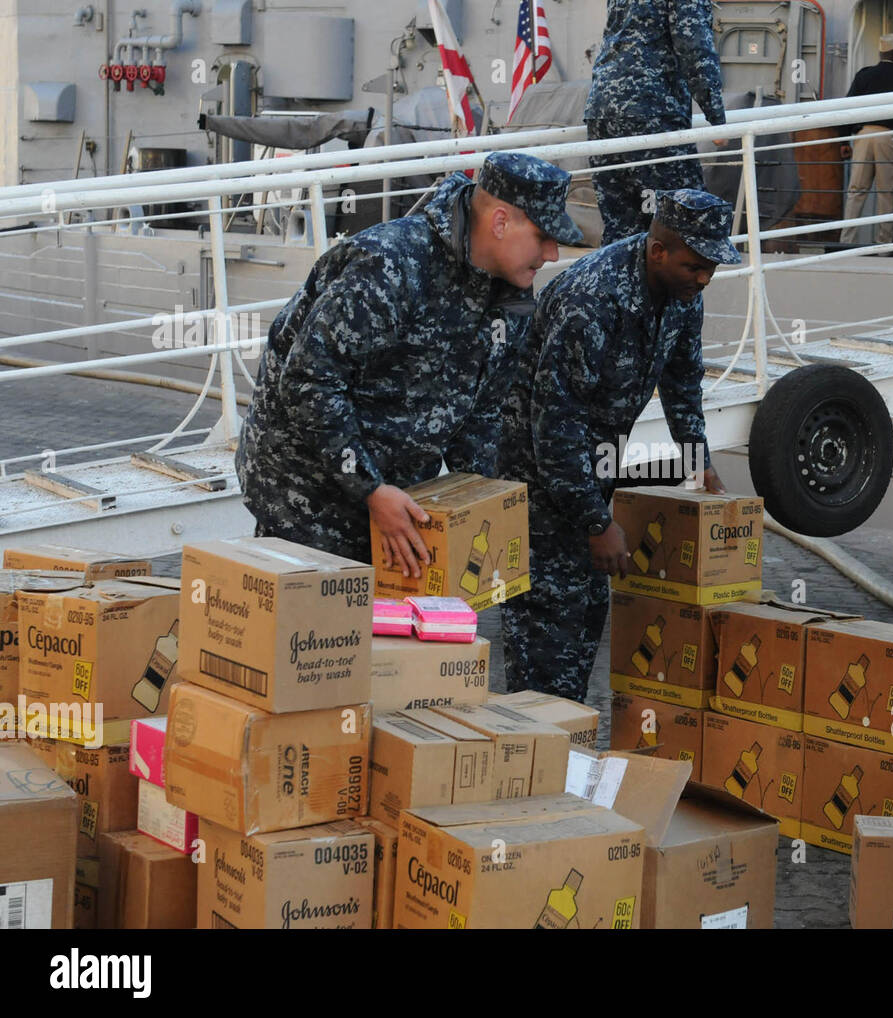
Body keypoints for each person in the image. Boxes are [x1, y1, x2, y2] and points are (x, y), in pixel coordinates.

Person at [235, 151, 582, 569]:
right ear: (500, 222)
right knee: (317, 626)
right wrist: (370, 489)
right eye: (544, 236)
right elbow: (310, 381)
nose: (552, 255)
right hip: (307, 488)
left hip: (397, 491)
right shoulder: (391, 263)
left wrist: (483, 502)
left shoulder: (510, 297)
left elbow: (482, 412)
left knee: (391, 628)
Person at [499, 189, 741, 699]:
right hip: (539, 485)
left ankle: (563, 741)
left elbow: (682, 384)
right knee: (547, 632)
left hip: (591, 473)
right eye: (696, 266)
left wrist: (700, 466)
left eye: (712, 269)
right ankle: (533, 751)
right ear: (659, 252)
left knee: (586, 615)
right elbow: (553, 423)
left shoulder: (681, 297)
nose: (704, 279)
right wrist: (596, 522)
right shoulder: (591, 299)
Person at [584, 0, 728, 244]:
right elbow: (693, 46)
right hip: (652, 110)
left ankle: (622, 282)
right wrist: (716, 116)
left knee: (621, 232)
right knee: (686, 222)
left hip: (603, 112)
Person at [839, 33, 893, 247]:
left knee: (856, 191)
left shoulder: (864, 75)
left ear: (881, 53)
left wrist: (843, 140)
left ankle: (847, 240)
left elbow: (848, 108)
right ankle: (884, 244)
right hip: (888, 137)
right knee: (886, 192)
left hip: (863, 135)